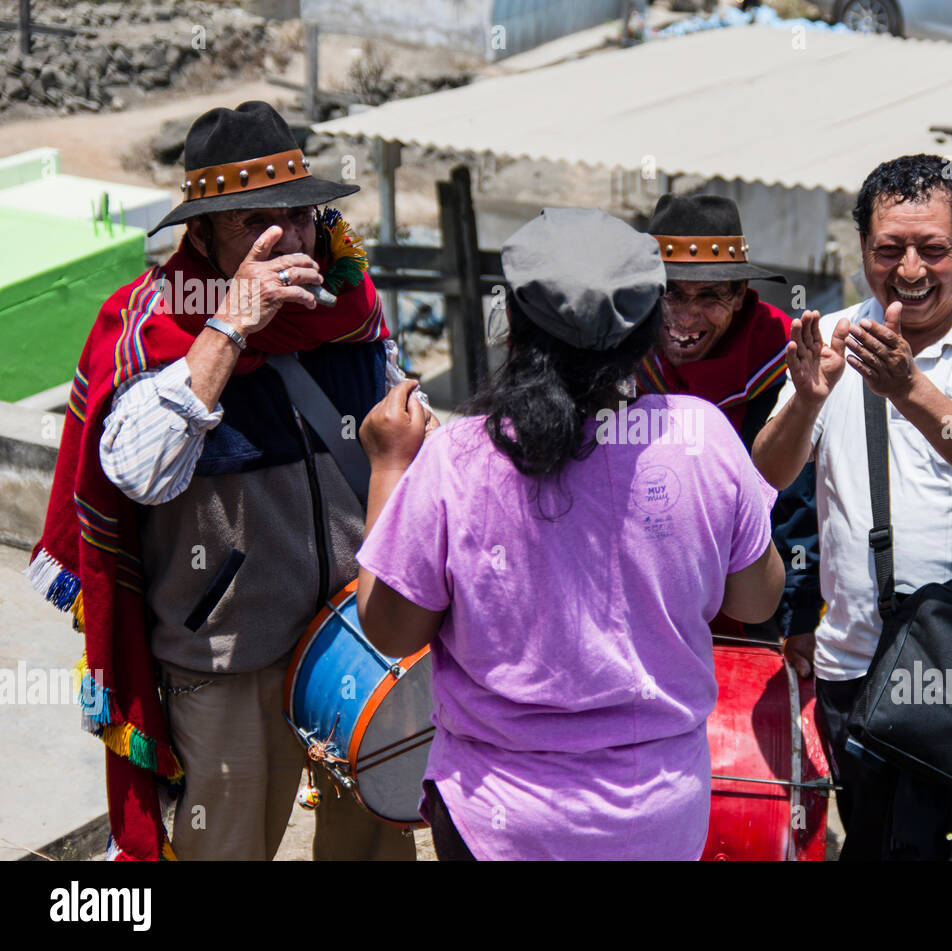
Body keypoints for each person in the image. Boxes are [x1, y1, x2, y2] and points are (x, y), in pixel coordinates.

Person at [28, 101, 418, 861]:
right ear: (199, 234)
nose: (290, 241)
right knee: (228, 847)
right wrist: (230, 328)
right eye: (256, 223)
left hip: (356, 640)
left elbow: (398, 420)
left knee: (372, 843)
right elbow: (136, 472)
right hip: (229, 657)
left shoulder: (349, 309)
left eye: (302, 217)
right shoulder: (151, 326)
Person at [354, 207, 785, 860]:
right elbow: (756, 600)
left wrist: (388, 464)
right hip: (659, 817)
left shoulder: (459, 457)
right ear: (645, 329)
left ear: (517, 330)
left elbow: (390, 629)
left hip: (497, 819)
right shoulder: (703, 436)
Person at [751, 154, 952, 860]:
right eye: (889, 250)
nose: (909, 269)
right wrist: (811, 400)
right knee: (873, 842)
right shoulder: (832, 340)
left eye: (932, 248)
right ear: (862, 249)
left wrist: (907, 386)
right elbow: (767, 472)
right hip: (853, 666)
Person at [637, 194, 822, 649]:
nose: (684, 316)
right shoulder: (625, 352)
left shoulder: (788, 360)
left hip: (757, 600)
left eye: (709, 296)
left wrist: (797, 623)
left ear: (740, 294)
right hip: (645, 599)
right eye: (670, 292)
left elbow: (799, 499)